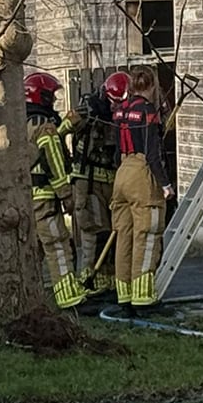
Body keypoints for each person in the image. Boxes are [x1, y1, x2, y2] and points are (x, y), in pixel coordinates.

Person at [60, 71, 130, 302]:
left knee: (113, 231)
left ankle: (108, 278)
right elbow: (60, 132)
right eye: (113, 102)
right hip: (87, 181)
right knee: (93, 230)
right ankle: (89, 279)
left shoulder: (126, 111)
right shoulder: (87, 109)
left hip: (112, 180)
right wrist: (66, 163)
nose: (115, 107)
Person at [110, 65, 174, 314]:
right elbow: (153, 153)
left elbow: (117, 149)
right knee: (146, 235)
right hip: (141, 173)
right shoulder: (147, 112)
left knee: (124, 235)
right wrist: (166, 184)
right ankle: (144, 298)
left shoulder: (120, 111)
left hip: (122, 172)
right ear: (150, 87)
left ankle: (124, 295)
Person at [25, 71, 86, 310]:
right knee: (58, 244)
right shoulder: (43, 126)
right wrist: (66, 194)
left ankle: (30, 295)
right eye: (51, 96)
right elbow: (53, 159)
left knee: (34, 249)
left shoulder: (22, 123)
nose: (54, 101)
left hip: (26, 196)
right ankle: (69, 297)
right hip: (44, 197)